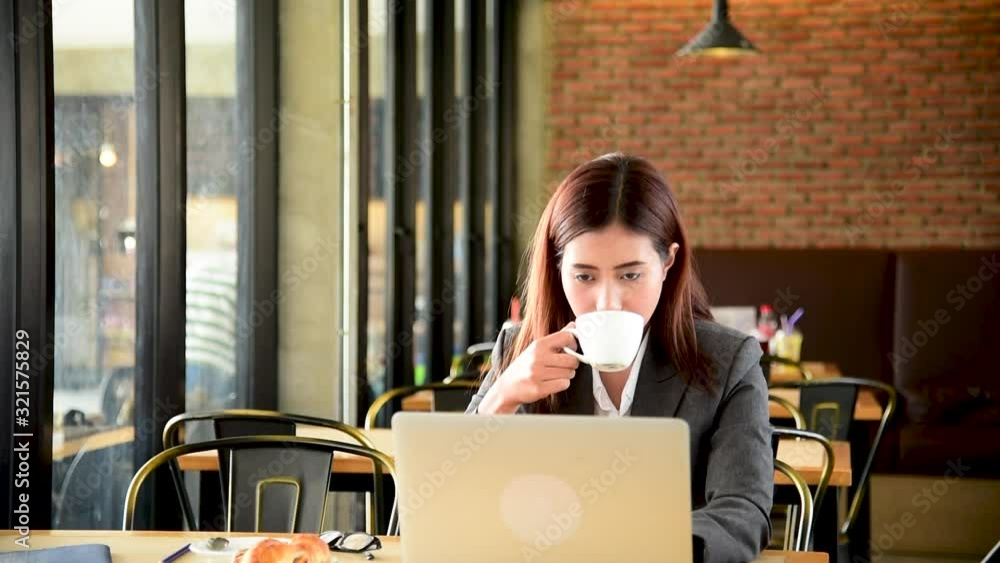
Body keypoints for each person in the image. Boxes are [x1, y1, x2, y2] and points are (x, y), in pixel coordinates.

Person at [466, 153, 773, 562]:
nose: (607, 302)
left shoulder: (728, 362)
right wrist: (501, 397)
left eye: (630, 275)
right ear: (558, 269)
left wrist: (651, 550)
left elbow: (743, 511)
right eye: (584, 276)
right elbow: (450, 490)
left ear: (667, 263)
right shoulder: (521, 352)